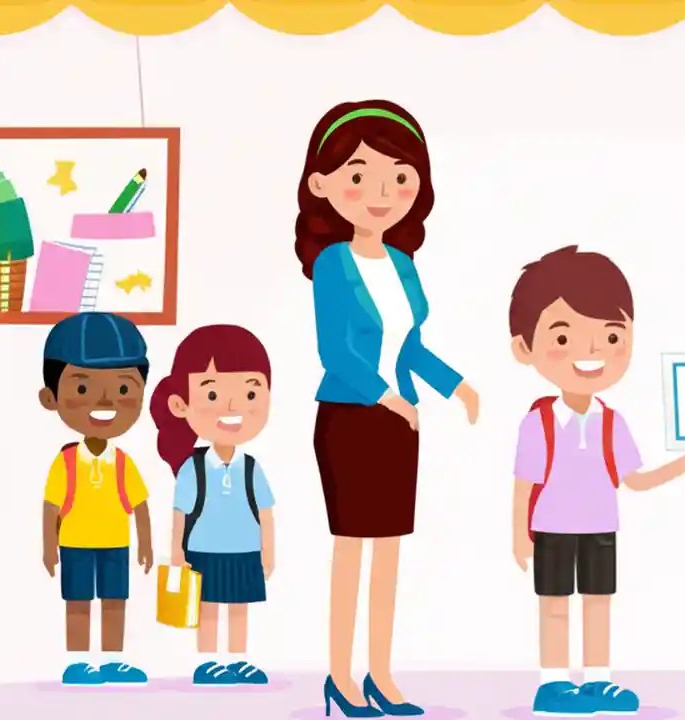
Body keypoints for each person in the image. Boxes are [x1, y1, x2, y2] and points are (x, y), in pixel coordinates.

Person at [295, 99, 481, 718]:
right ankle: (340, 678)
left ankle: (381, 673)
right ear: (323, 185)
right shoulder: (330, 264)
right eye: (360, 176)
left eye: (399, 177)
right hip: (351, 418)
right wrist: (392, 400)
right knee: (352, 548)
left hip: (401, 424)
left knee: (391, 551)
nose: (382, 192)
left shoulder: (402, 264)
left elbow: (412, 345)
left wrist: (456, 386)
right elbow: (335, 352)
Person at [508, 246, 685, 717]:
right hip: (552, 529)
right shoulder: (539, 422)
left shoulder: (611, 421)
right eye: (564, 339)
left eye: (610, 337)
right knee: (556, 605)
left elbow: (635, 480)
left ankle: (598, 681)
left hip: (602, 526)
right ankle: (554, 683)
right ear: (525, 347)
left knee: (598, 603)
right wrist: (519, 535)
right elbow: (524, 482)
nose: (590, 354)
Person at [151, 325, 276, 686]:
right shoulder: (192, 467)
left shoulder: (251, 466)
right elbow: (180, 514)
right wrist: (177, 552)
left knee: (239, 609)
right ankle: (208, 662)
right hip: (203, 549)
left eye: (251, 392)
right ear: (180, 404)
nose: (233, 406)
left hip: (245, 549)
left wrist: (268, 551)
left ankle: (238, 661)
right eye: (213, 393)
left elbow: (265, 513)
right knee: (207, 609)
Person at [38, 312, 154, 686]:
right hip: (74, 544)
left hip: (115, 544)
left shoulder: (123, 462)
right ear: (50, 399)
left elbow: (140, 505)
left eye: (123, 390)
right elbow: (51, 506)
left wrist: (146, 544)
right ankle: (77, 662)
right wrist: (48, 546)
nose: (105, 400)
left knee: (115, 603)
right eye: (83, 389)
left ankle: (112, 660)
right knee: (78, 604)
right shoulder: (66, 462)